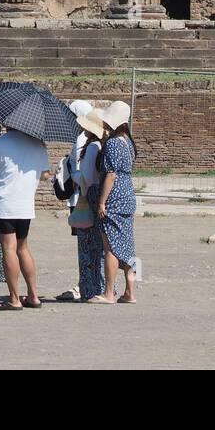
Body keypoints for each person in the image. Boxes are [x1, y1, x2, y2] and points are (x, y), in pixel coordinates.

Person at [0, 124, 52, 310]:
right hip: (25, 206)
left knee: (8, 248)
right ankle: (33, 295)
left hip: (4, 205)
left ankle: (14, 298)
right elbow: (45, 174)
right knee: (23, 248)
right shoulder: (38, 145)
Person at [83, 101, 138, 304]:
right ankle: (131, 292)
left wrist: (102, 202)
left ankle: (109, 293)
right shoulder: (129, 142)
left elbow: (111, 175)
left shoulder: (114, 143)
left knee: (111, 248)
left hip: (115, 197)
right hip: (128, 195)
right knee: (128, 246)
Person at [54, 101, 105, 301]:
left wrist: (66, 171)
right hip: (91, 197)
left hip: (82, 199)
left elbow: (82, 175)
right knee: (97, 247)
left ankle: (87, 287)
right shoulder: (98, 140)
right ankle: (95, 285)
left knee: (86, 247)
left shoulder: (83, 140)